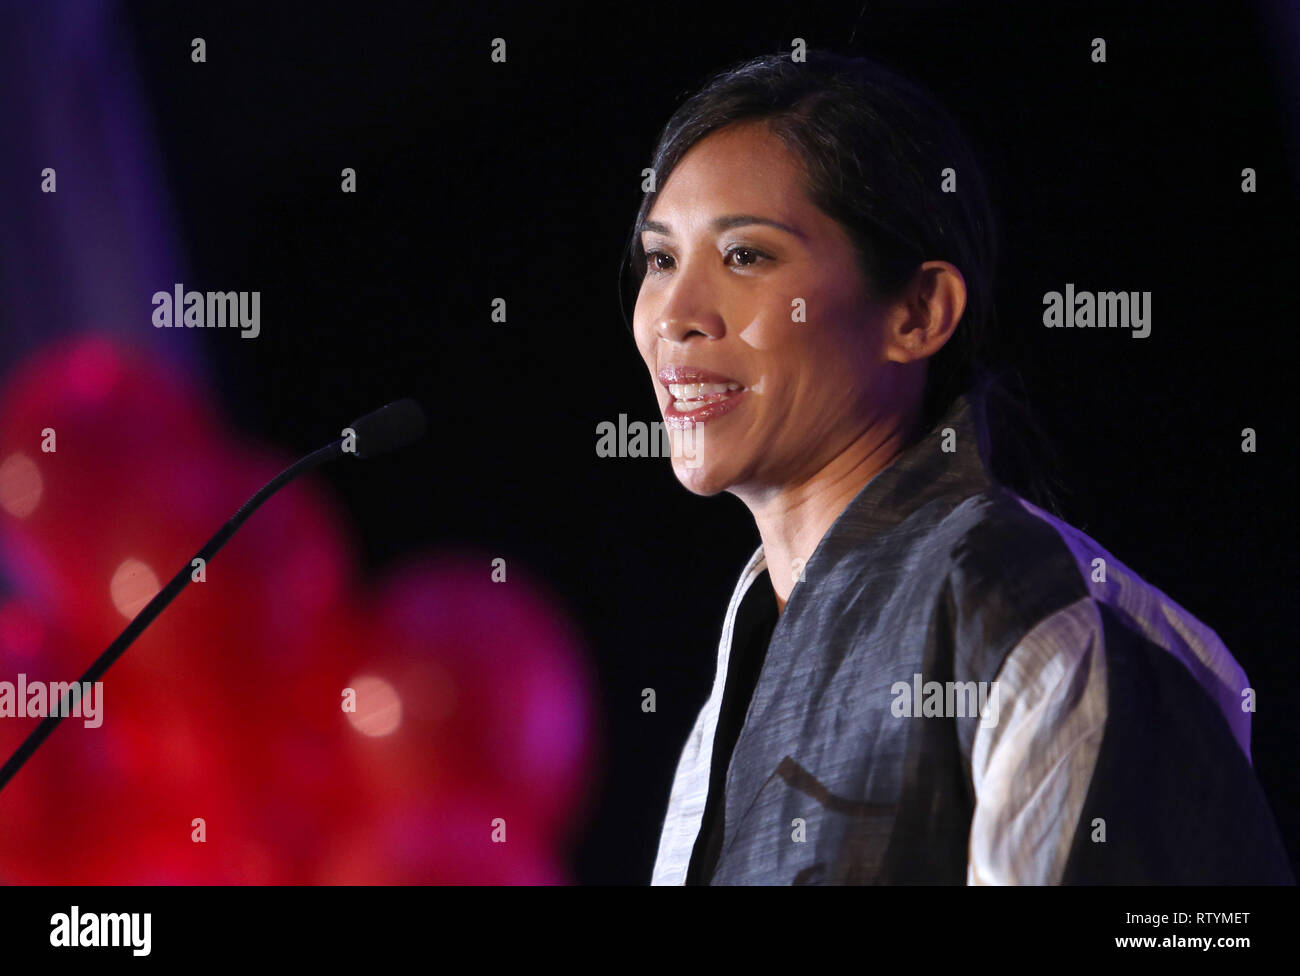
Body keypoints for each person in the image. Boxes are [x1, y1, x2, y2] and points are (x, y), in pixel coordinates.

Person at [621, 50, 1294, 885]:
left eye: (747, 256)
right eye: (660, 260)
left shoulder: (1036, 611)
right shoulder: (755, 645)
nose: (674, 318)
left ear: (918, 312)